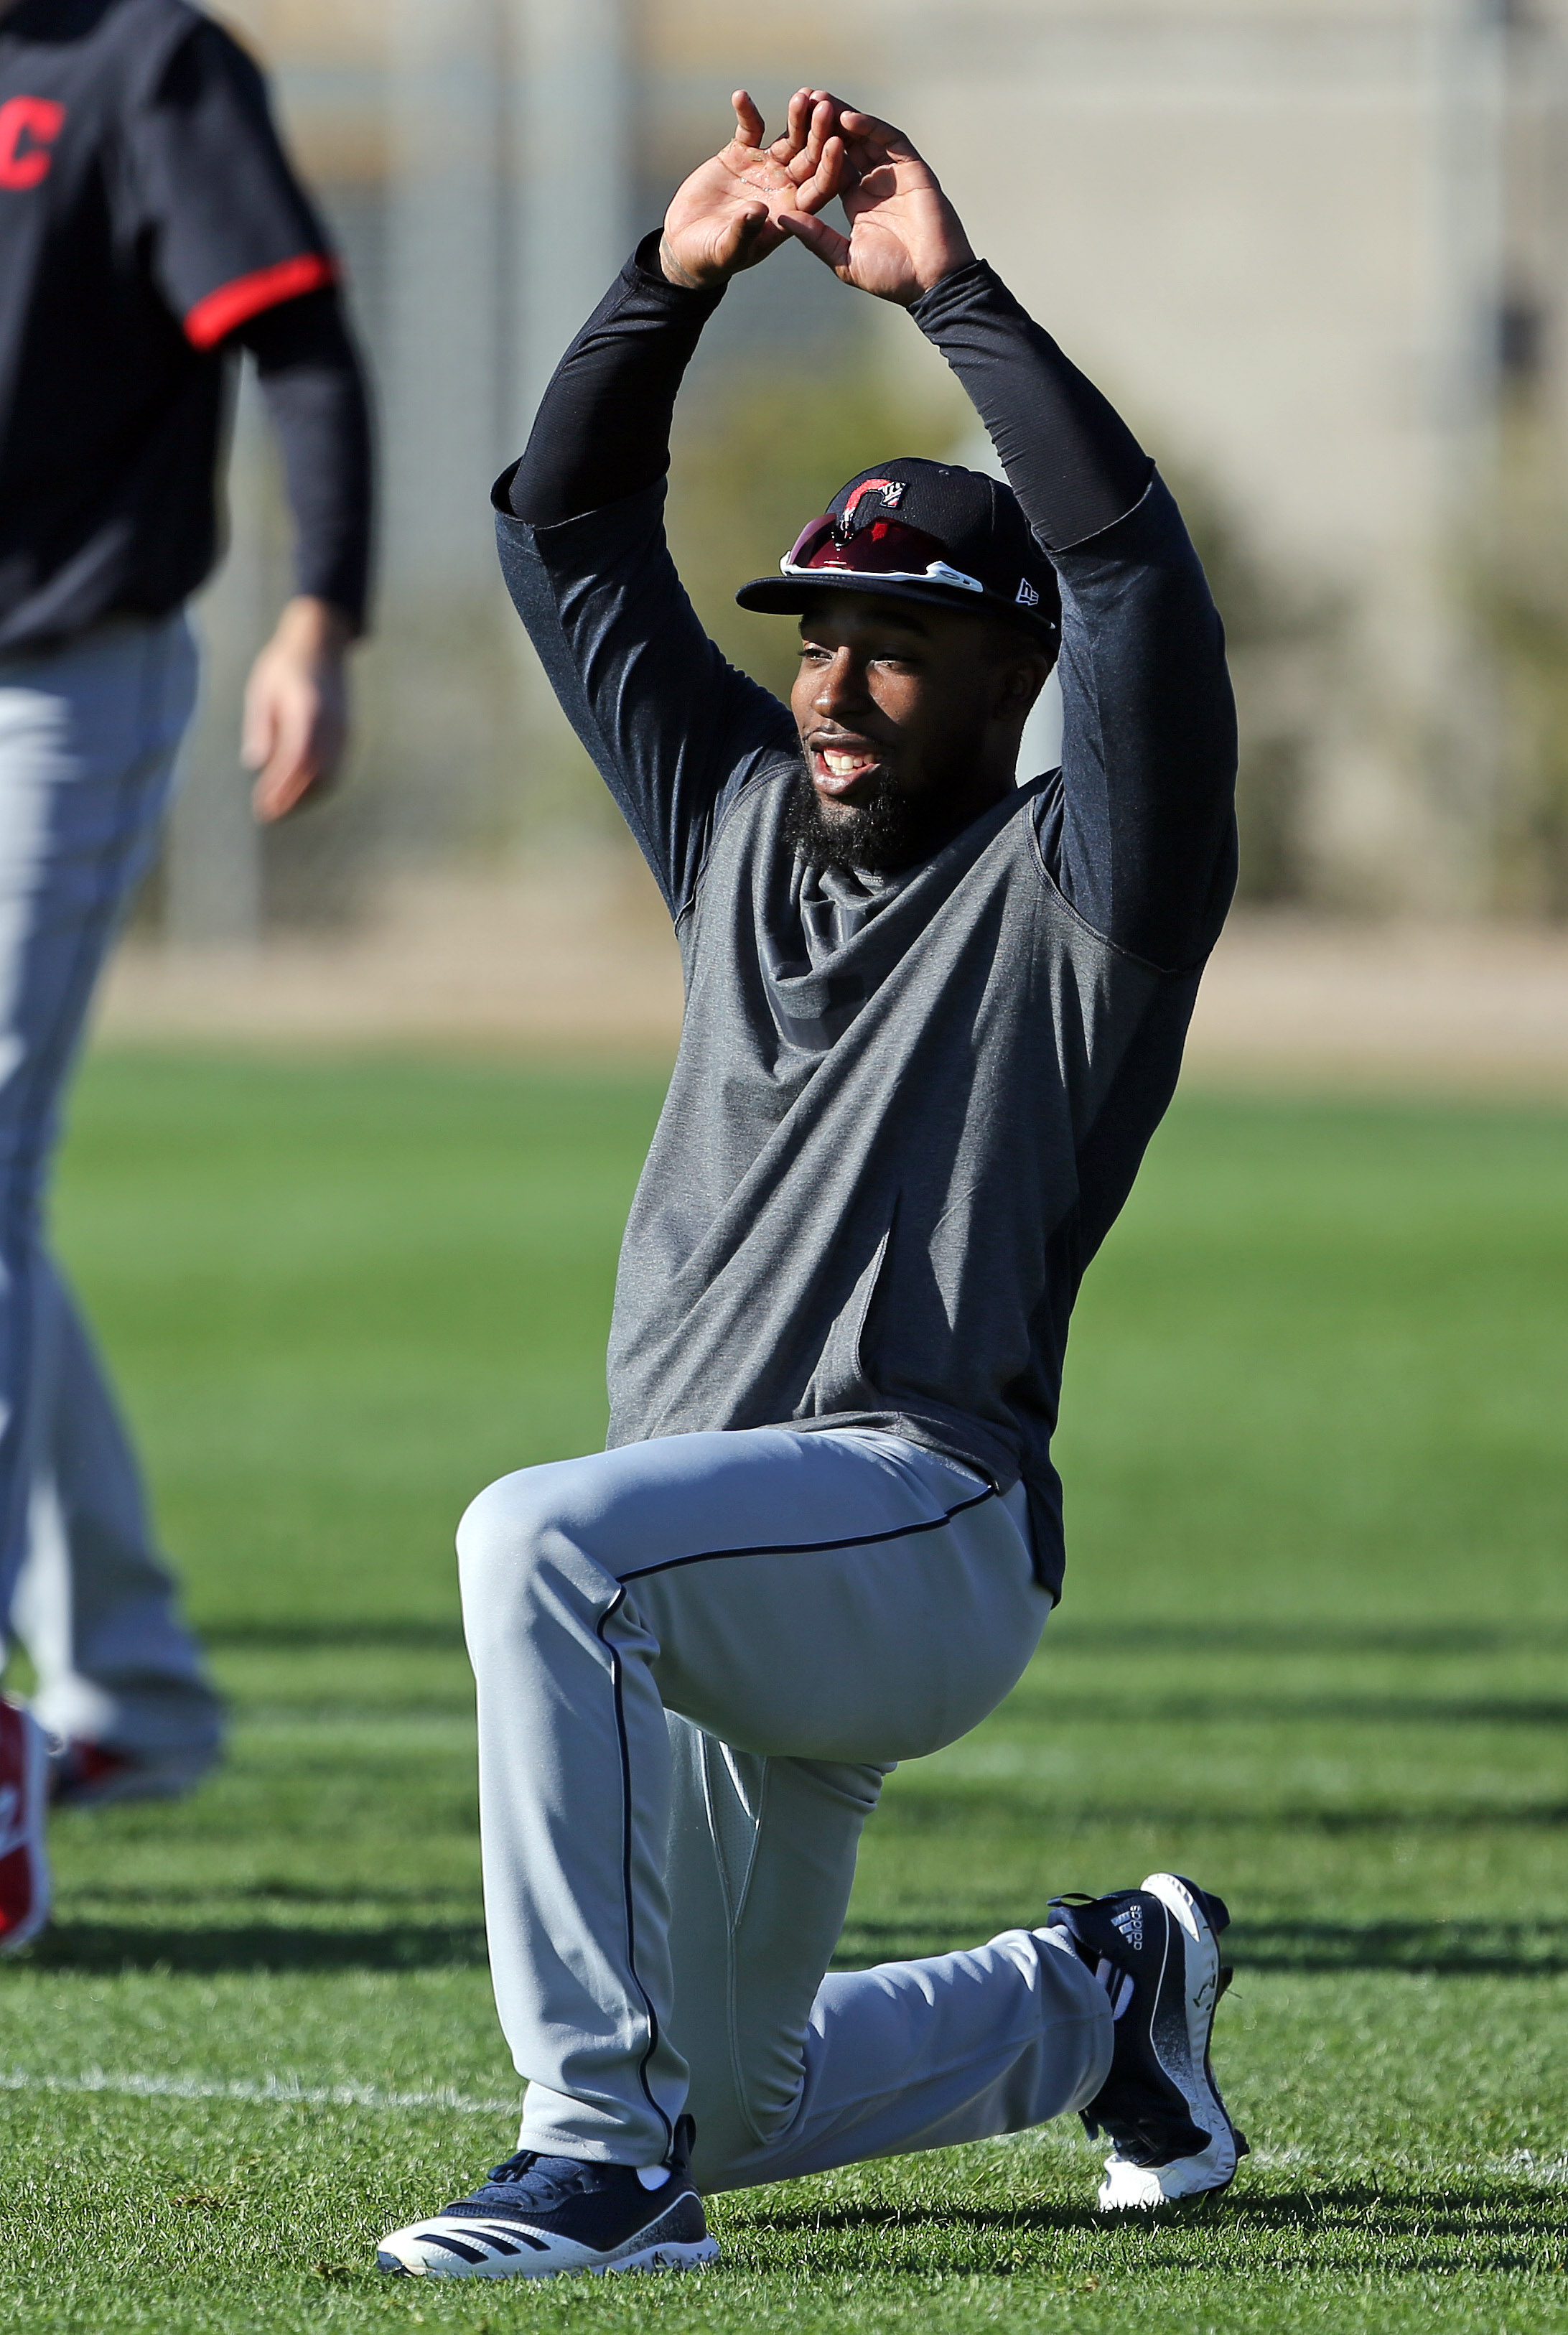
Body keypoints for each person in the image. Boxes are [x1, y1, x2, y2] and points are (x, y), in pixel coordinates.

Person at [378, 90, 1241, 2280]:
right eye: (817, 631)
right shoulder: (741, 817)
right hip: (730, 1557)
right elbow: (564, 532)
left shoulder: (1092, 890)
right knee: (742, 2101)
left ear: (1011, 676)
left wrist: (948, 293)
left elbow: (1135, 579)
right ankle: (1103, 1993)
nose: (835, 683)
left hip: (918, 1516)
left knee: (532, 1543)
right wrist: (667, 291)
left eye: (899, 642)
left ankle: (588, 2150)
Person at [0, 0, 373, 1946]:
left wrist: (320, 609)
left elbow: (297, 342)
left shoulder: (148, 63)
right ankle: (128, 1685)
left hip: (63, 671)